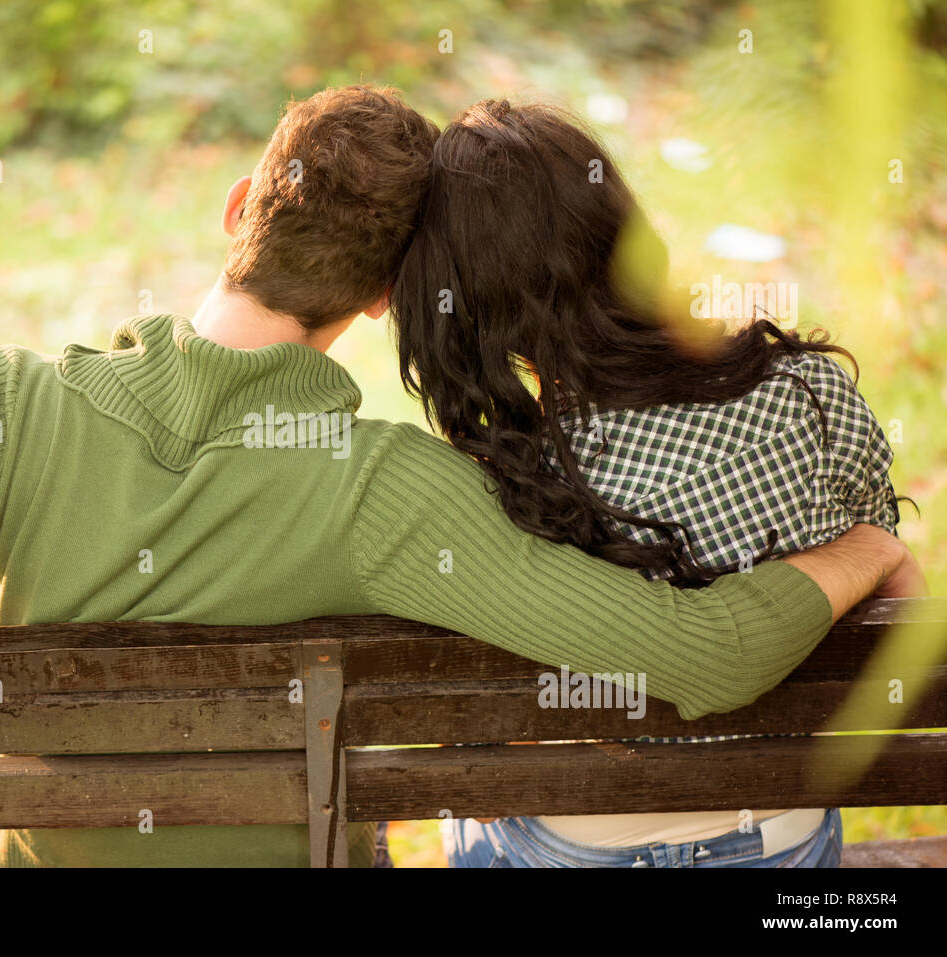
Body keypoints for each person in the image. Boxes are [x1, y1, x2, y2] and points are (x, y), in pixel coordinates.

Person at [0, 87, 918, 868]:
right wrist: (865, 548)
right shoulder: (390, 494)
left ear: (238, 201)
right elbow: (688, 658)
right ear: (379, 301)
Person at [389, 98, 922, 868]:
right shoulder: (806, 396)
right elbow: (889, 585)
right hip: (781, 838)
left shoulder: (494, 484)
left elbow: (478, 738)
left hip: (568, 845)